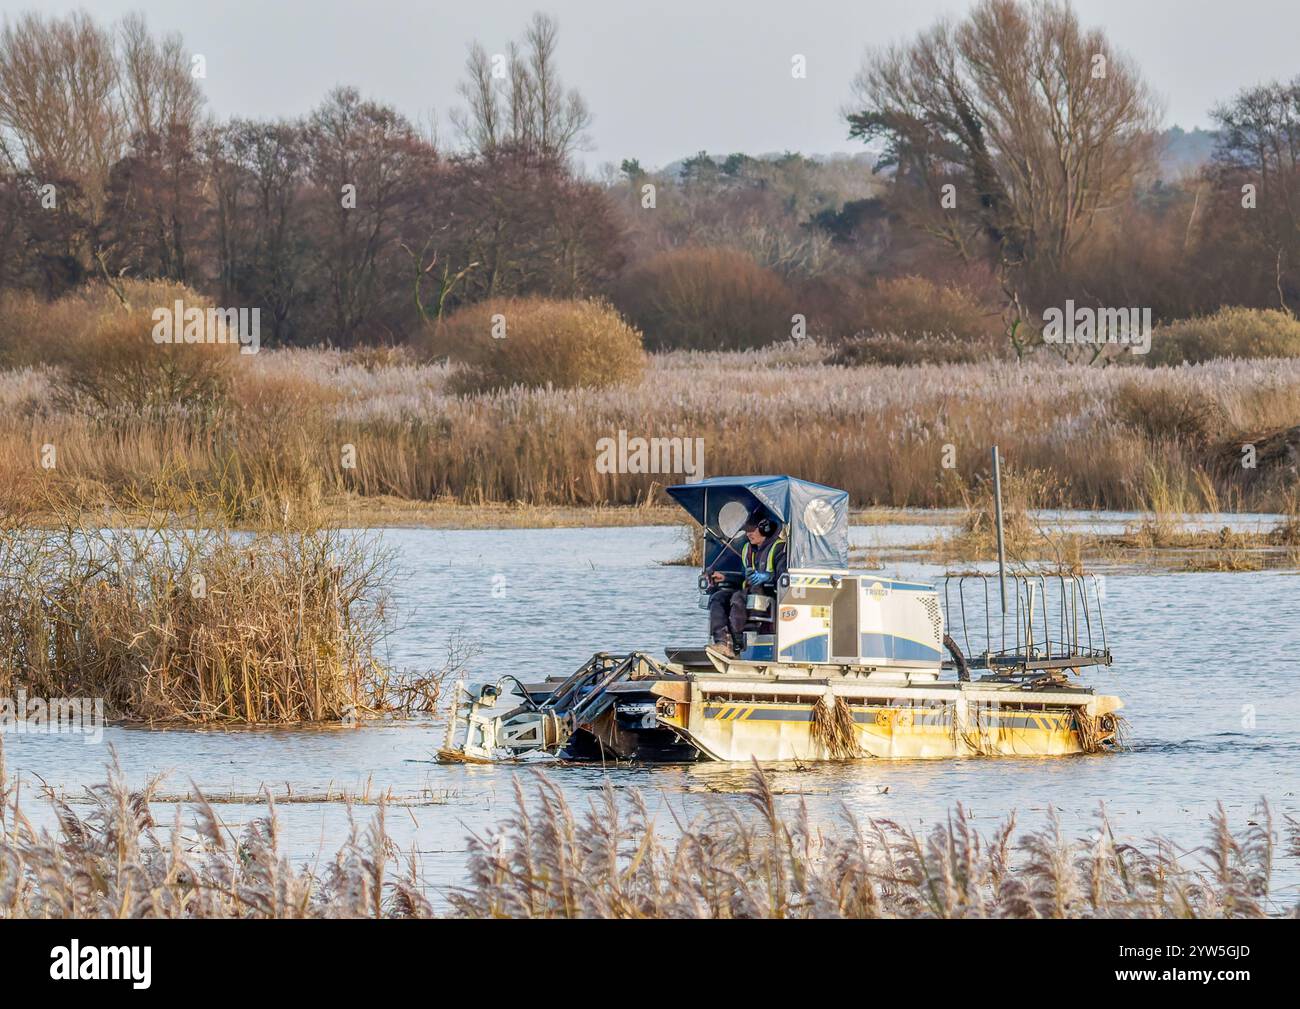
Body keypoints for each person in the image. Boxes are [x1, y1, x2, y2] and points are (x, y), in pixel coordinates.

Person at [707, 510, 787, 657]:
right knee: (717, 597)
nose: (748, 534)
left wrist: (767, 577)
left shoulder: (779, 548)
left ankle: (737, 642)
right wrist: (725, 577)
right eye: (746, 531)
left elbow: (785, 579)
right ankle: (722, 643)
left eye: (752, 530)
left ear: (765, 528)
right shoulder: (747, 549)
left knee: (738, 597)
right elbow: (744, 578)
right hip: (747, 592)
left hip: (771, 596)